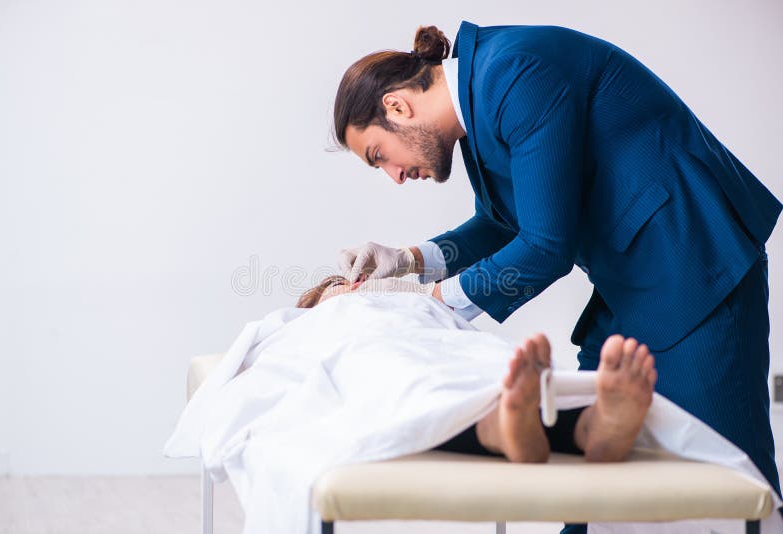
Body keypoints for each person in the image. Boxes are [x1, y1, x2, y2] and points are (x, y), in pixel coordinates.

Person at [331, 21, 782, 524]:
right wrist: (409, 259)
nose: (394, 176)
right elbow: (502, 222)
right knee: (589, 474)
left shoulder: (515, 74)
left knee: (734, 482)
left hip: (696, 265)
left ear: (396, 106)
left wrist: (432, 304)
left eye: (379, 156)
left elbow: (545, 247)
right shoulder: (481, 96)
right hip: (630, 282)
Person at [296, 276, 657, 463]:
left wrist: (415, 291)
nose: (353, 286)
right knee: (412, 378)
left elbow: (449, 319)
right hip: (378, 349)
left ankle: (593, 426)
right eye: (338, 287)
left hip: (444, 339)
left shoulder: (413, 302)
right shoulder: (319, 327)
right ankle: (509, 426)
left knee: (490, 366)